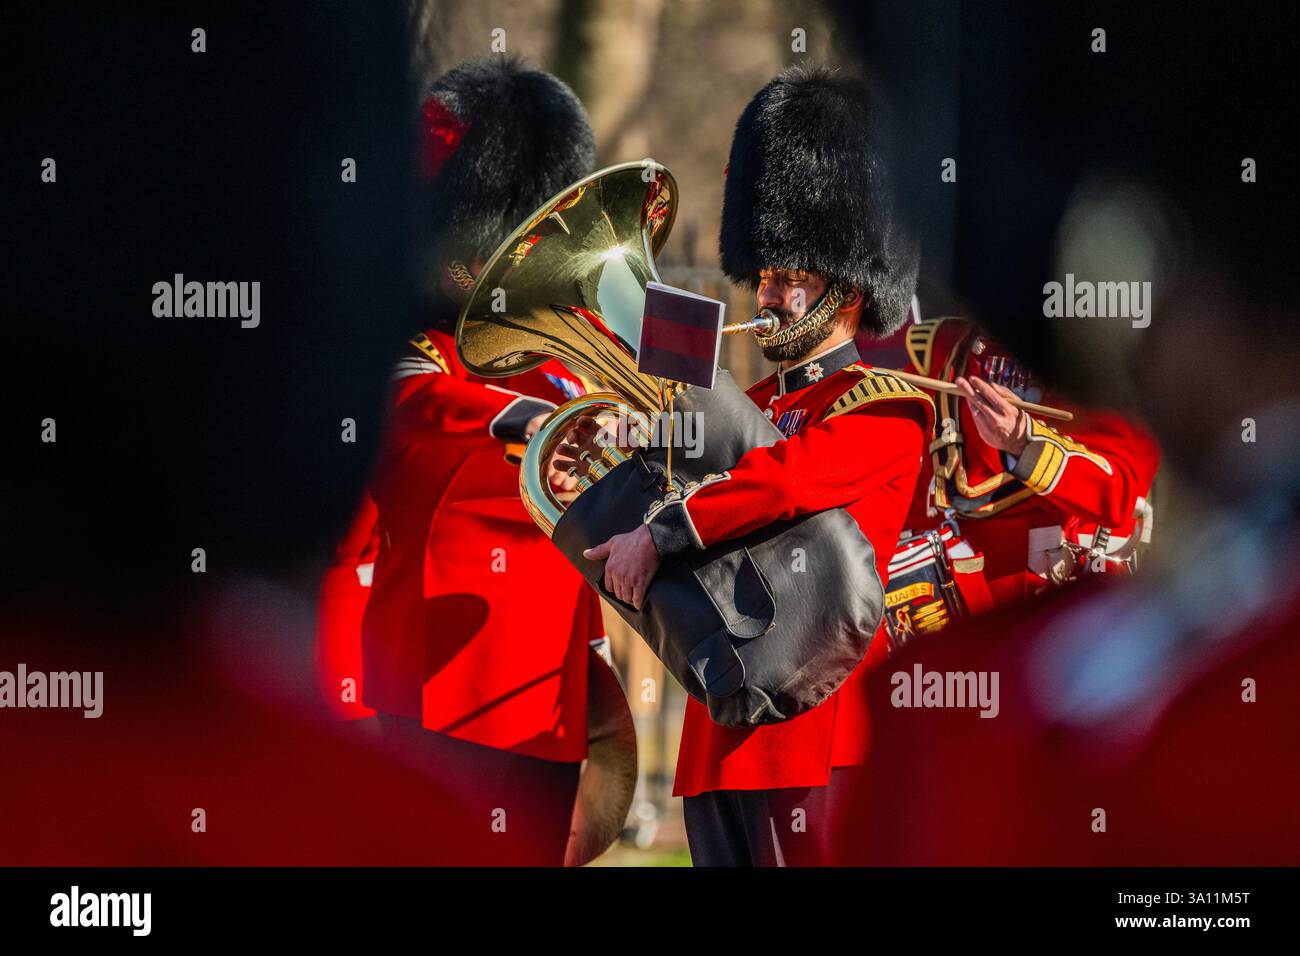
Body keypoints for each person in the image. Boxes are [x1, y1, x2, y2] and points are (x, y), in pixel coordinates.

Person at [576, 66, 934, 866]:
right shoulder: (759, 401)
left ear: (844, 287)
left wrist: (665, 532)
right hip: (719, 736)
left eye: (788, 278)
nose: (764, 294)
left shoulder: (888, 406)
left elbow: (783, 481)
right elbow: (696, 463)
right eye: (764, 273)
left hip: (815, 740)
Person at [321, 56, 606, 864]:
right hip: (436, 686)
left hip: (547, 696)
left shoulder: (561, 359)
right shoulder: (414, 350)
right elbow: (421, 413)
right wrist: (532, 420)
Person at [876, 314, 1160, 645]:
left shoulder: (1100, 366)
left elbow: (1118, 494)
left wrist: (1023, 442)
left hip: (1068, 620)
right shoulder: (945, 353)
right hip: (966, 623)